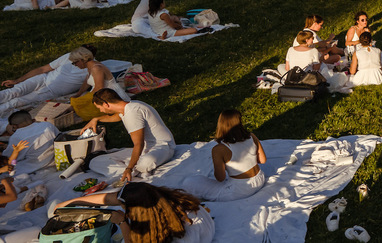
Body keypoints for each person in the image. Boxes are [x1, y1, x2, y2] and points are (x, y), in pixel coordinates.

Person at [53, 182, 214, 243]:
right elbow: (109, 200)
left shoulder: (159, 233)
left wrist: (123, 223)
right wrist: (68, 204)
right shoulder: (162, 199)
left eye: (125, 206)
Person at [86, 89, 177, 182]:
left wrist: (129, 168)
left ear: (106, 104)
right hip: (145, 148)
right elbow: (117, 116)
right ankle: (131, 171)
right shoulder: (128, 106)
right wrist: (96, 119)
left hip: (162, 146)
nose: (101, 110)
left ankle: (129, 171)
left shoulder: (133, 112)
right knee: (95, 162)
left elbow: (138, 144)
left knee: (146, 163)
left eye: (99, 108)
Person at [181, 109, 267, 201]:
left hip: (241, 190)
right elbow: (262, 160)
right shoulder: (251, 136)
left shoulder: (219, 149)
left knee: (189, 182)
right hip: (260, 179)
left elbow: (220, 178)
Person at [0, 46, 95, 117]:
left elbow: (88, 84)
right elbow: (43, 69)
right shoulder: (69, 57)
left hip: (51, 91)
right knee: (15, 91)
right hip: (43, 79)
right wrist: (17, 80)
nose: (73, 63)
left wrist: (78, 94)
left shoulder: (92, 69)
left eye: (76, 61)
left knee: (18, 101)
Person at [2, 111, 57, 175]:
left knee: (7, 170)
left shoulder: (16, 137)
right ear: (33, 120)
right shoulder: (47, 125)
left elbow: (8, 158)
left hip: (34, 166)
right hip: (54, 160)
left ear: (14, 126)